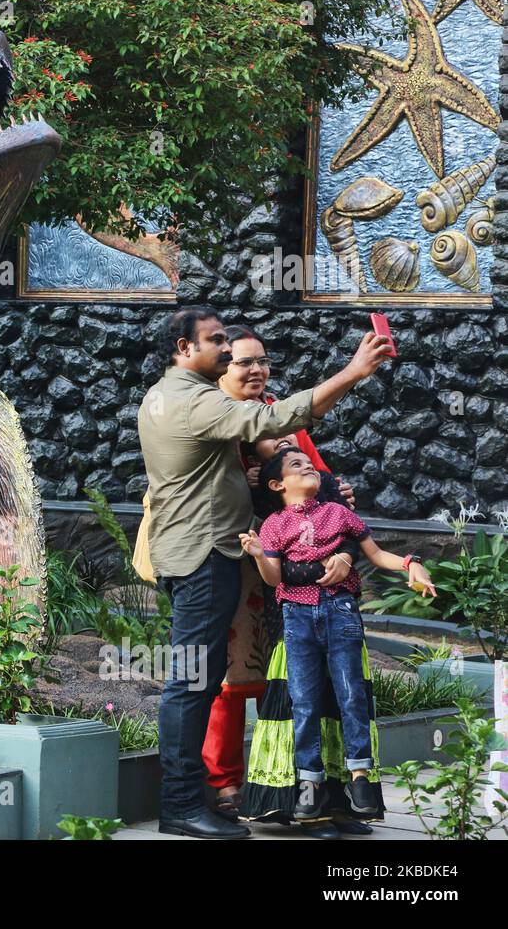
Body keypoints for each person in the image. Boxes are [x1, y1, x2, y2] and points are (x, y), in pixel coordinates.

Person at [137, 307, 392, 839]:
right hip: (204, 555)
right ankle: (184, 805)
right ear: (183, 349)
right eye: (217, 343)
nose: (228, 352)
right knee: (193, 683)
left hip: (200, 553)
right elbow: (272, 422)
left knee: (199, 681)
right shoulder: (194, 399)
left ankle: (198, 800)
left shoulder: (165, 394)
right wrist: (353, 371)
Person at [201, 326, 358, 821]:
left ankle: (298, 783)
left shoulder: (282, 417)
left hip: (302, 578)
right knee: (229, 675)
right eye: (243, 362)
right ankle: (223, 780)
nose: (256, 370)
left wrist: (339, 505)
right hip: (233, 563)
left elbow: (320, 484)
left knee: (299, 676)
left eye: (262, 361)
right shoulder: (209, 414)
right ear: (221, 367)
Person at [240, 448, 435, 824]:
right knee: (304, 701)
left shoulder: (339, 513)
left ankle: (359, 775)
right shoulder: (274, 525)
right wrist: (259, 555)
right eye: (296, 465)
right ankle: (310, 782)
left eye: (309, 464)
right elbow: (274, 578)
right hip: (296, 616)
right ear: (278, 484)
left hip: (340, 611)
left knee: (351, 695)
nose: (308, 466)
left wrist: (412, 564)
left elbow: (377, 555)